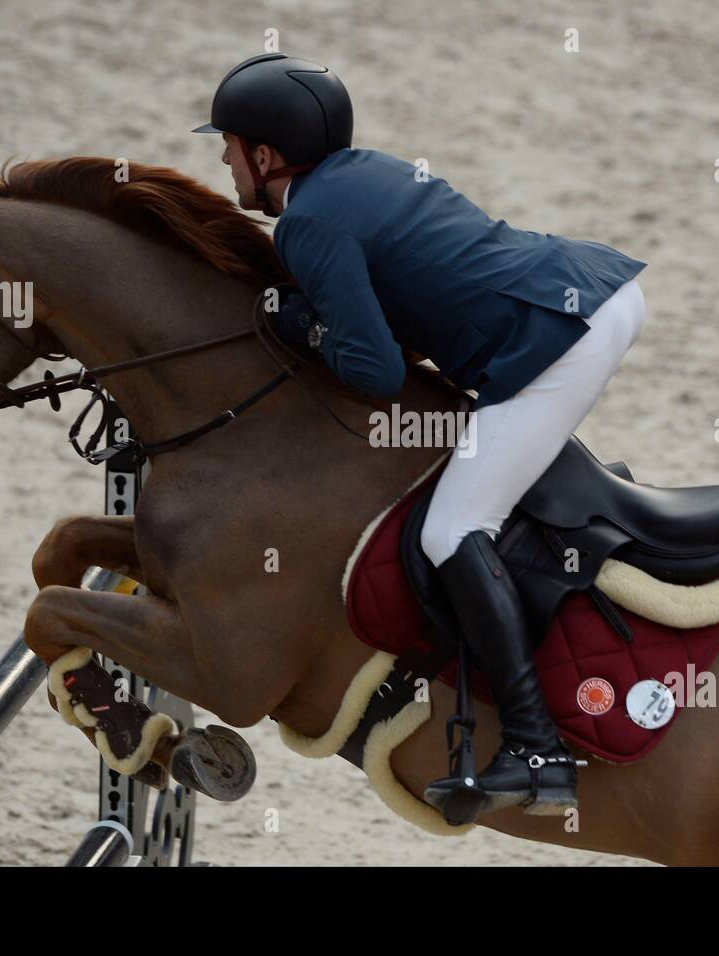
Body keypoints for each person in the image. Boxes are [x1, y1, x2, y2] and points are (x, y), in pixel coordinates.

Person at [195, 53, 647, 815]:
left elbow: (372, 369)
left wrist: (297, 320)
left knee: (453, 528)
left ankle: (537, 748)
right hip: (586, 293)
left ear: (264, 156)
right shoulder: (358, 172)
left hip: (559, 336)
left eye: (229, 144)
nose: (222, 158)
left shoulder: (305, 220)